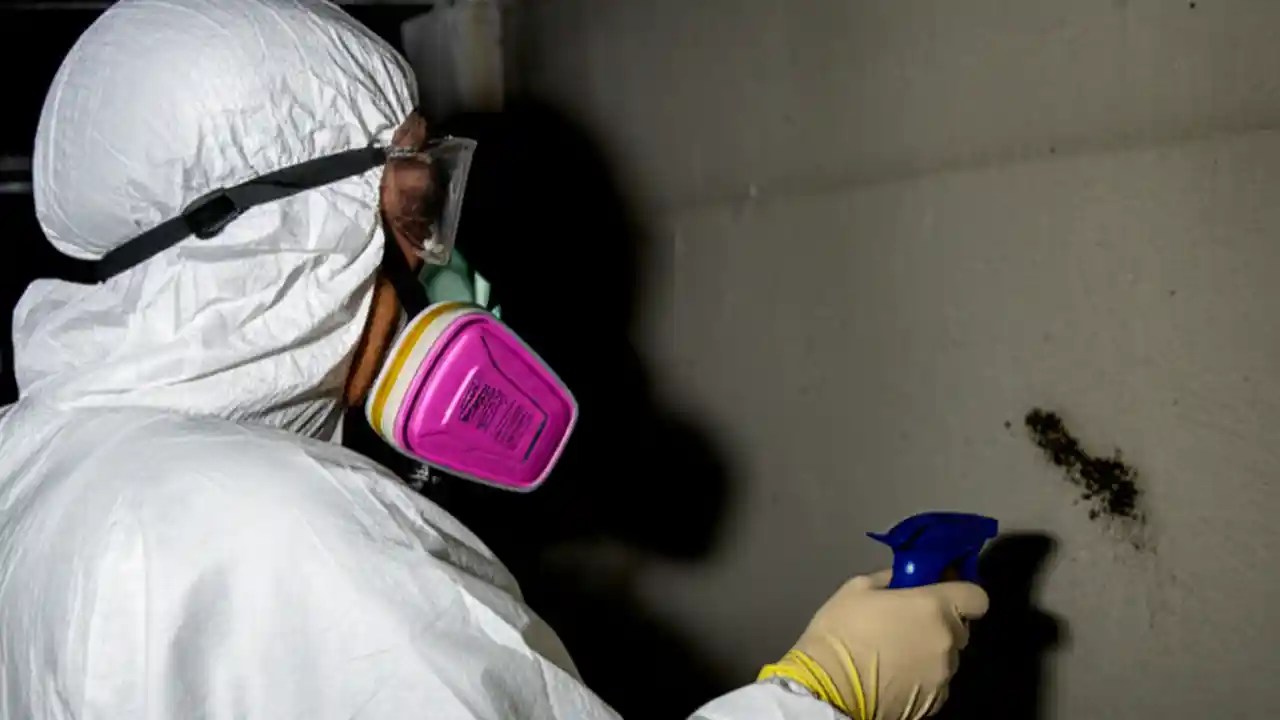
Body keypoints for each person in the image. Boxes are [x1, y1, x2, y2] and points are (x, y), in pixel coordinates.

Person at [0, 1, 987, 718]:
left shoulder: (39, 471)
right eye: (415, 205)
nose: (441, 260)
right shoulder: (278, 541)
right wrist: (821, 702)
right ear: (291, 226)